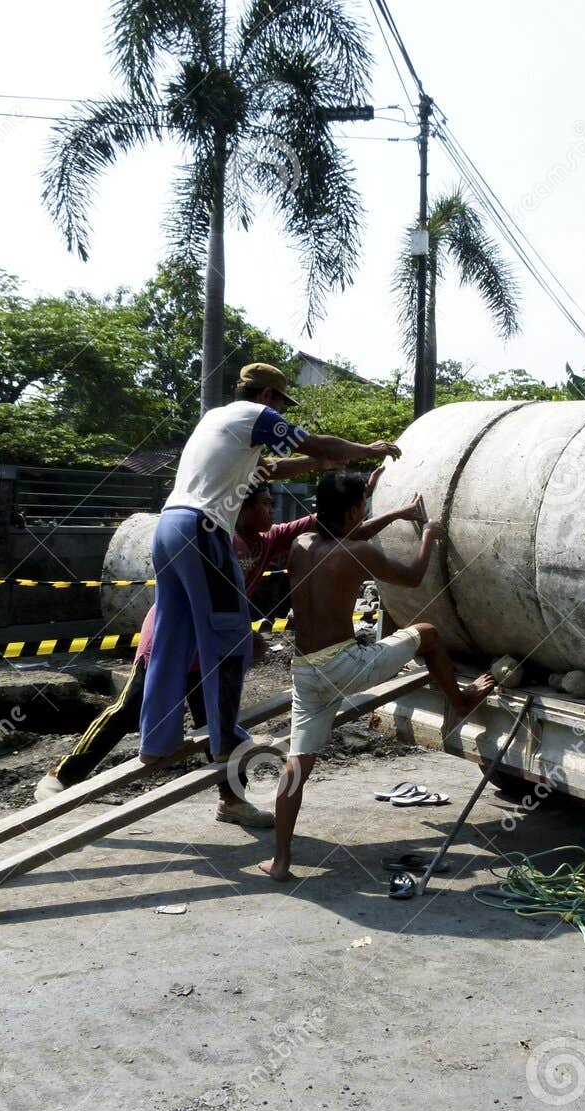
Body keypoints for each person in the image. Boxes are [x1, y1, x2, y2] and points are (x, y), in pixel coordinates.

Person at [33, 466, 402, 807]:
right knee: (128, 711)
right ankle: (63, 775)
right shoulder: (215, 541)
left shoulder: (267, 541)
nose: (273, 511)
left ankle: (232, 802)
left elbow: (333, 525)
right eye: (266, 504)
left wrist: (363, 496)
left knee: (217, 726)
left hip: (212, 651)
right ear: (242, 508)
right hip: (170, 641)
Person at [136, 364, 400, 825]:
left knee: (175, 634)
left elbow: (276, 468)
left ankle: (156, 739)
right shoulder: (250, 415)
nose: (281, 412)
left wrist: (325, 463)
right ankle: (222, 738)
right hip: (202, 532)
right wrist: (365, 450)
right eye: (280, 402)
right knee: (231, 637)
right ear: (265, 395)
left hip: (169, 527)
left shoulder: (219, 423)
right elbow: (315, 444)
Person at [262, 472, 496, 882]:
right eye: (363, 509)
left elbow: (346, 536)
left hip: (305, 671)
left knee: (296, 765)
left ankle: (281, 861)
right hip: (345, 664)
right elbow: (412, 576)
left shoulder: (299, 546)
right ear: (353, 511)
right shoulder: (359, 552)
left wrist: (396, 513)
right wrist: (429, 536)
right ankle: (460, 700)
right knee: (428, 634)